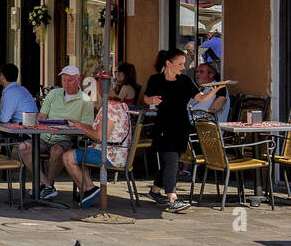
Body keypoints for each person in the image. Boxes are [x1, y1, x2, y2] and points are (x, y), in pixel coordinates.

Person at [143, 48, 224, 212]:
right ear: (168, 63)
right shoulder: (155, 80)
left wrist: (214, 90)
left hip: (181, 127)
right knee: (171, 160)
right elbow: (146, 97)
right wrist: (151, 99)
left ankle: (154, 191)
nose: (183, 67)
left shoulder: (185, 81)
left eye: (184, 64)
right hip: (164, 127)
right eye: (180, 64)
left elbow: (200, 97)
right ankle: (172, 198)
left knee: (170, 162)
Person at [54, 69, 132, 208]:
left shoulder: (109, 108)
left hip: (111, 155)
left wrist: (82, 128)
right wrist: (80, 125)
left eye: (91, 91)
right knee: (78, 152)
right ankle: (87, 190)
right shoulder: (119, 104)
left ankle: (89, 189)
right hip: (117, 151)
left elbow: (99, 136)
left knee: (67, 157)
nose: (89, 95)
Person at [19, 64, 94, 195]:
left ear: (78, 80)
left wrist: (68, 128)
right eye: (64, 80)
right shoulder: (54, 94)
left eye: (70, 80)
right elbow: (42, 116)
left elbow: (86, 127)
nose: (66, 83)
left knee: (56, 151)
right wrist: (36, 122)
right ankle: (46, 185)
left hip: (65, 139)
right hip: (43, 137)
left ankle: (48, 183)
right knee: (23, 148)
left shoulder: (86, 101)